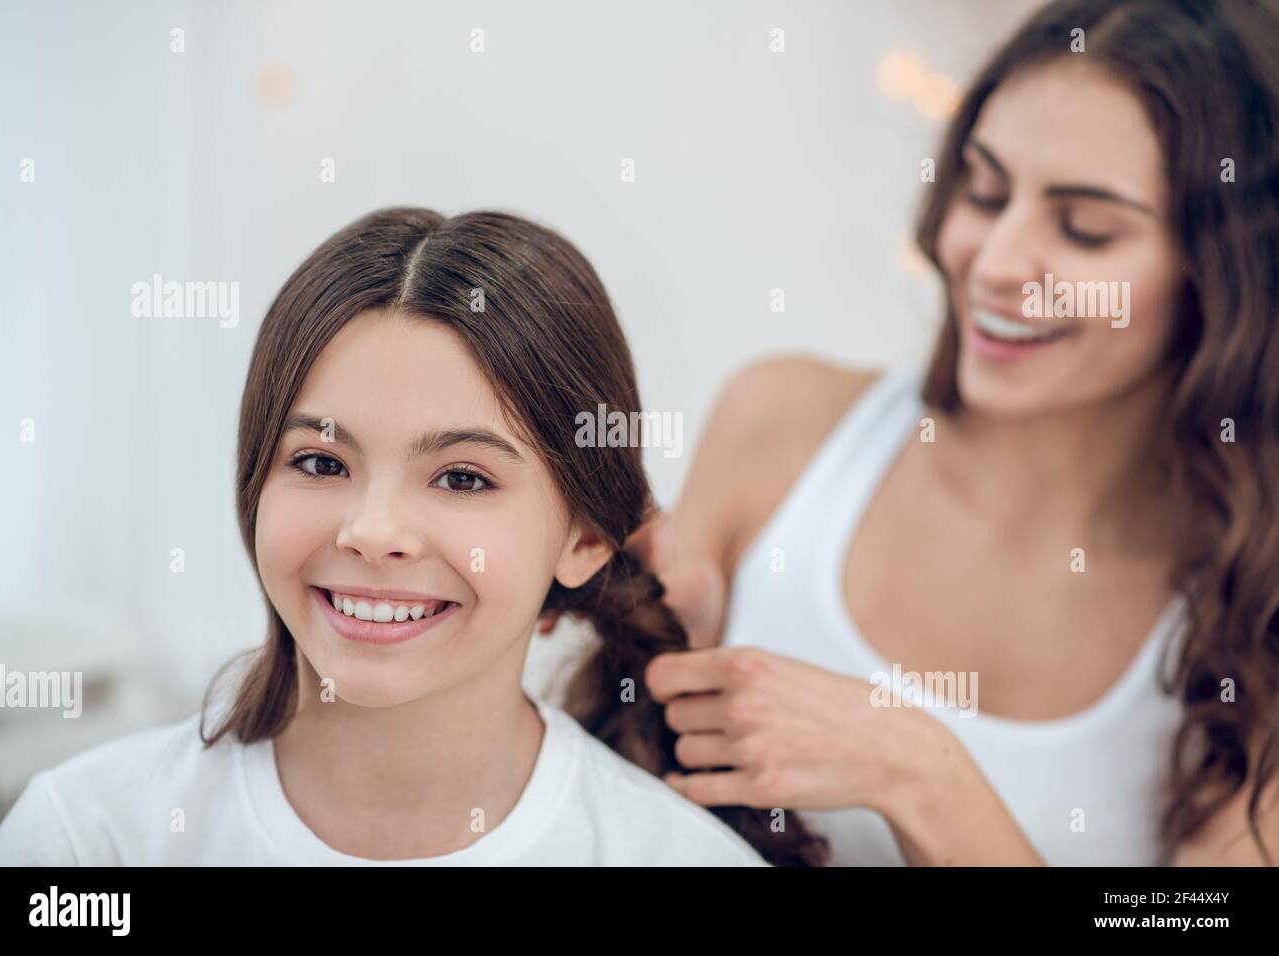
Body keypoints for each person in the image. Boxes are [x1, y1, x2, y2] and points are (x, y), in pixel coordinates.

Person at [547, 0, 1279, 865]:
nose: (997, 261)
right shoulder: (782, 423)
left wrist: (914, 771)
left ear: (1224, 275)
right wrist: (660, 638)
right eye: (985, 189)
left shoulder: (1254, 598)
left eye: (1085, 229)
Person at [0, 208, 814, 866]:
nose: (374, 531)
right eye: (318, 460)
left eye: (462, 478)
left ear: (588, 537)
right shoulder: (88, 840)